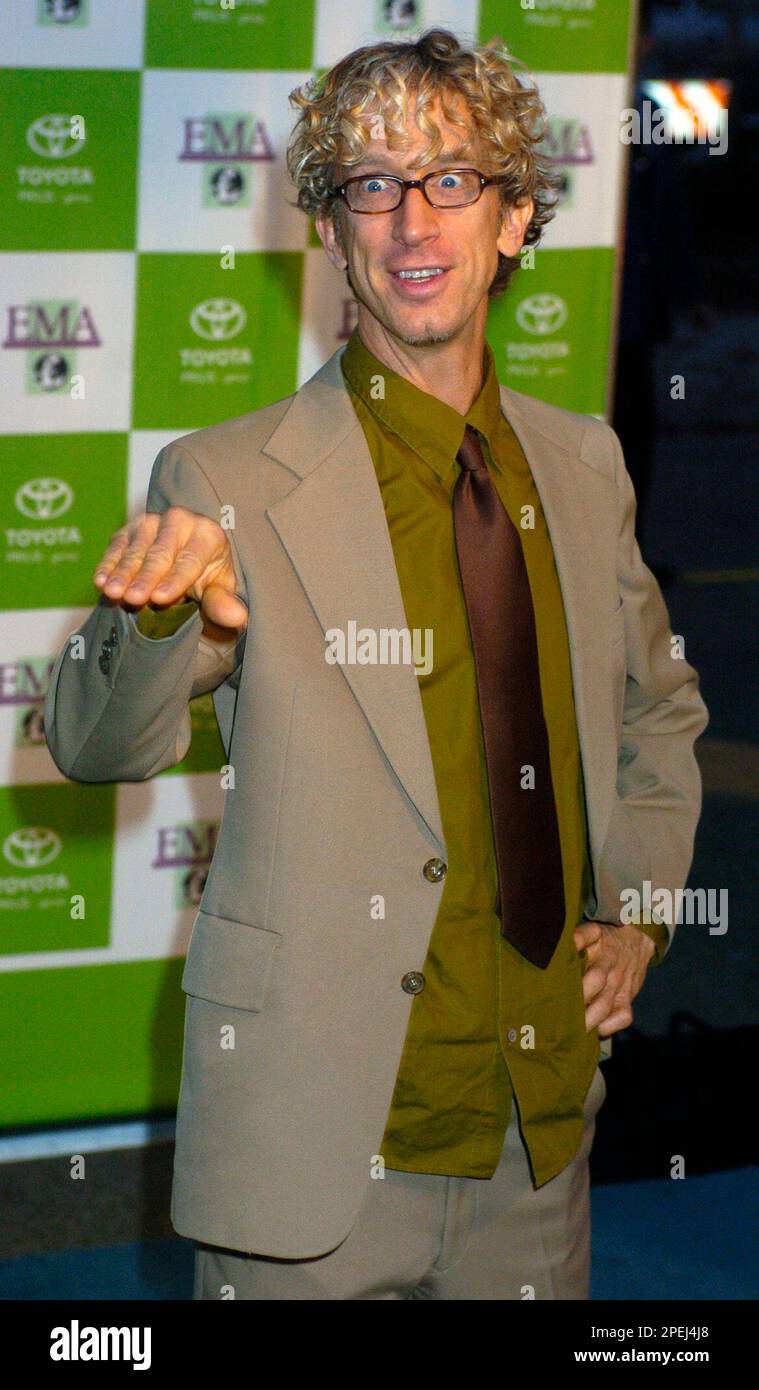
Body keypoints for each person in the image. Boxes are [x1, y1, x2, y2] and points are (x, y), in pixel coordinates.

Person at [43, 28, 708, 1301]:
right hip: (315, 1146)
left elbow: (658, 709)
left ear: (515, 218)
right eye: (370, 184)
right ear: (334, 235)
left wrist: (638, 914)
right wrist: (164, 614)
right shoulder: (225, 480)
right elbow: (95, 747)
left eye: (452, 178)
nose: (413, 217)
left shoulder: (583, 464)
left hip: (535, 1140)